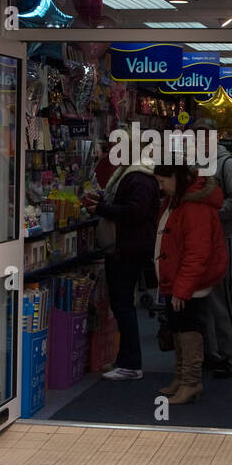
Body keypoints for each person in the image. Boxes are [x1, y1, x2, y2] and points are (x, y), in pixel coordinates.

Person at [153, 161, 227, 405]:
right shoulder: (181, 200)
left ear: (176, 177)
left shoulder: (193, 207)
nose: (160, 187)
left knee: (187, 328)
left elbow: (197, 253)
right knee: (178, 326)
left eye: (163, 181)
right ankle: (183, 378)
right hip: (180, 280)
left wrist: (182, 289)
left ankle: (191, 381)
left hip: (189, 282)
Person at [82, 158, 160, 381]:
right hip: (126, 246)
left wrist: (102, 208)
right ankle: (126, 360)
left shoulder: (138, 177)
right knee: (122, 303)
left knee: (123, 303)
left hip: (127, 247)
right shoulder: (134, 175)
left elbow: (135, 212)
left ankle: (131, 363)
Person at [192, 119, 232, 378]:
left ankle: (230, 356)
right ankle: (211, 353)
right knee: (203, 298)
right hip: (199, 241)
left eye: (205, 136)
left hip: (222, 239)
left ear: (215, 138)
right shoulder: (196, 165)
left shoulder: (229, 165)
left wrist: (212, 215)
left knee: (222, 299)